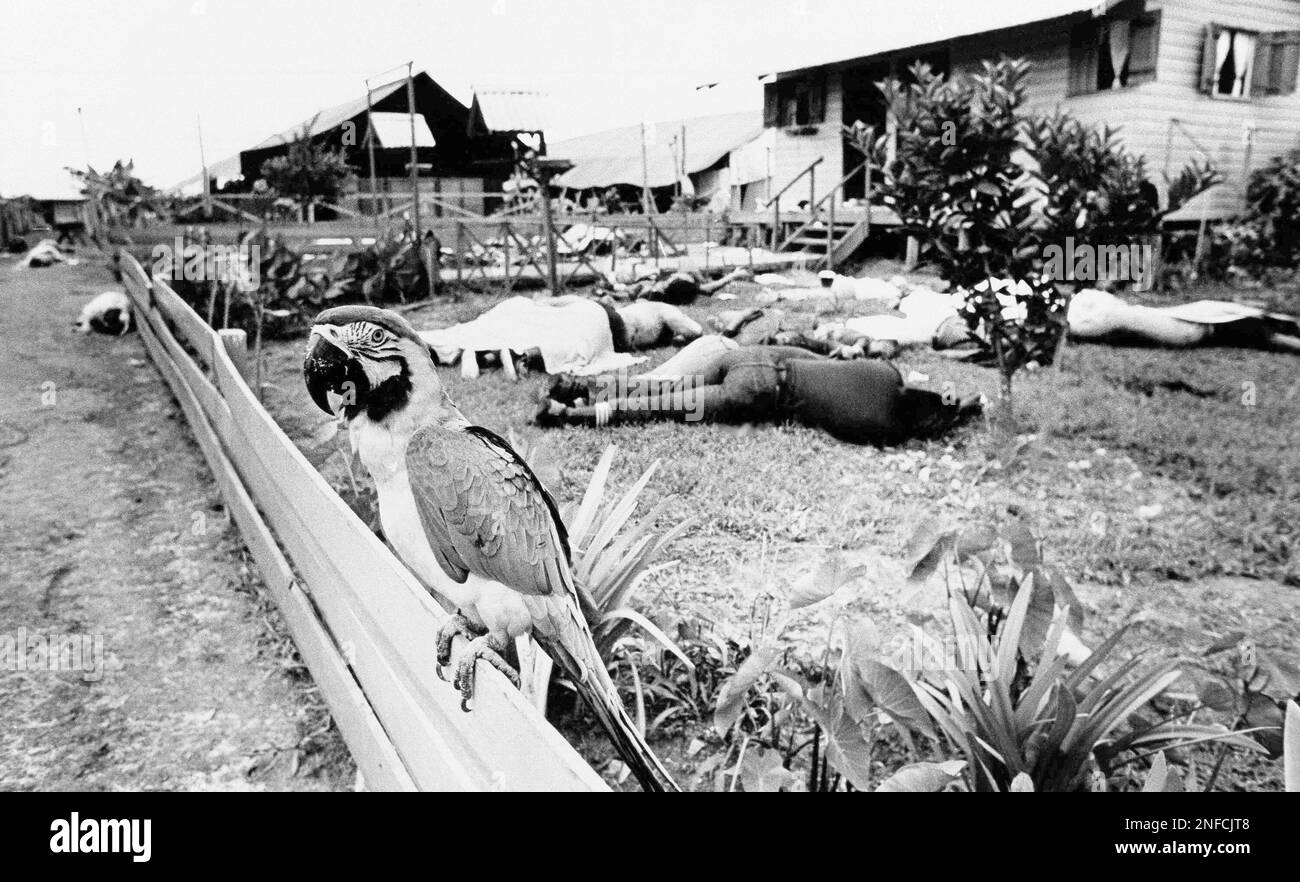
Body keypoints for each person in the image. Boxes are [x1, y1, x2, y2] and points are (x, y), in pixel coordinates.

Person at [536, 344, 982, 445]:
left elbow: (813, 356)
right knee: (661, 406)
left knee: (661, 387)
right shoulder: (882, 424)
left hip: (751, 359)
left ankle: (577, 390)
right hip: (757, 392)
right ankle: (567, 414)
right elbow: (834, 419)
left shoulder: (881, 371)